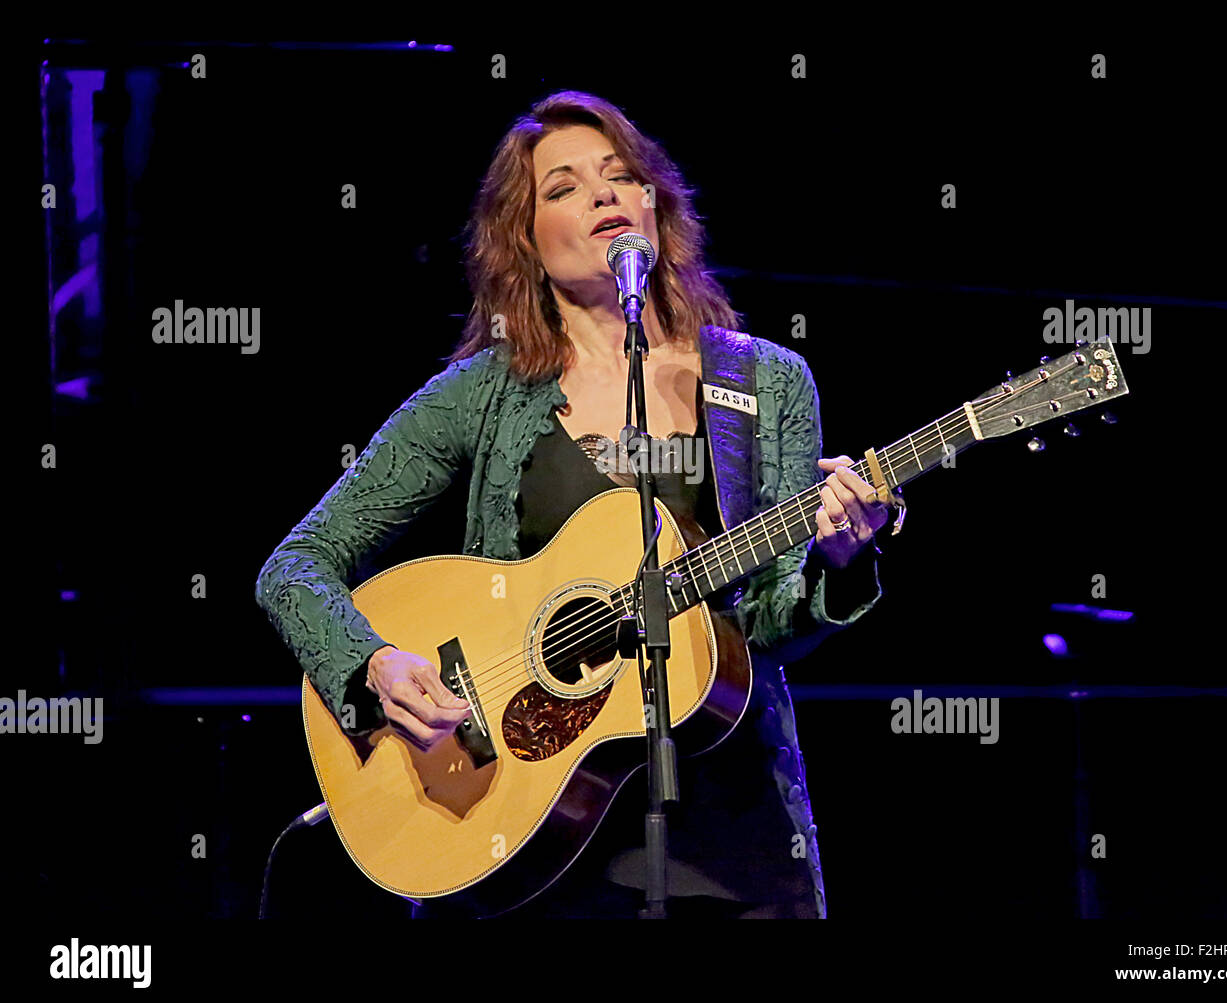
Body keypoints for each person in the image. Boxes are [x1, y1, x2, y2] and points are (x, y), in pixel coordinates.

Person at [255, 91, 890, 919]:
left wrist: (843, 563)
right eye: (563, 187)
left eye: (623, 177)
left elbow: (770, 623)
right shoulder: (482, 394)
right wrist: (373, 667)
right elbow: (295, 566)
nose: (603, 195)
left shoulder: (765, 381)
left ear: (656, 211)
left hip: (735, 835)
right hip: (527, 827)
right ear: (523, 238)